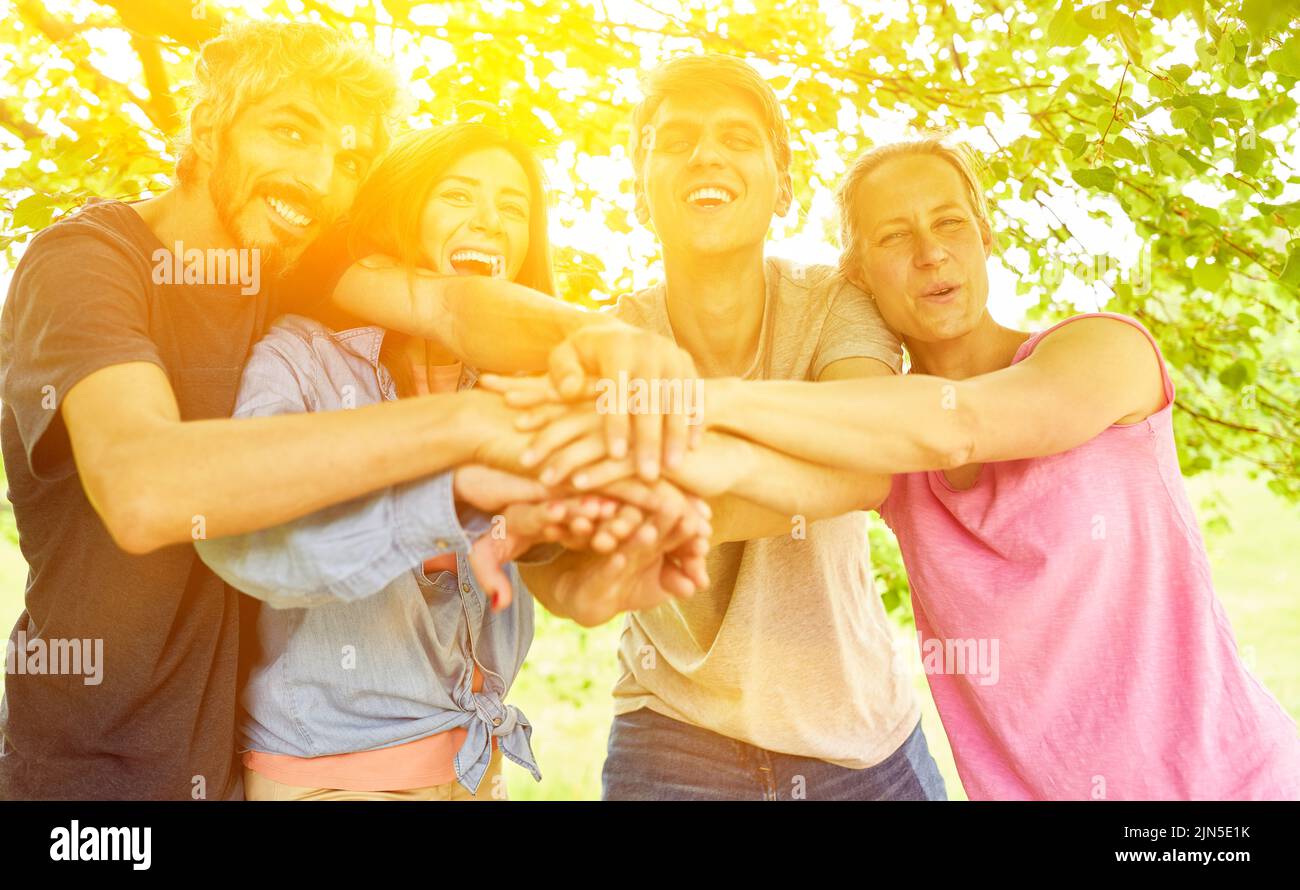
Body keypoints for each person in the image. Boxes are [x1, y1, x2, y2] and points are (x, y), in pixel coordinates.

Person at [0, 20, 699, 801]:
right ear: (206, 125)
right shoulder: (86, 263)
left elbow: (449, 305)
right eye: (291, 131)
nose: (317, 176)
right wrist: (467, 435)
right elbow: (143, 488)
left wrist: (601, 337)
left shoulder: (284, 269)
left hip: (236, 762)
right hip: (95, 774)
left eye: (349, 159)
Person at [598, 134, 1300, 799]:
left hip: (1224, 794)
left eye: (951, 223)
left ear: (986, 235)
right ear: (858, 274)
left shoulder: (1106, 354)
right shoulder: (886, 451)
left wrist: (696, 398)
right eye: (894, 237)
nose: (932, 253)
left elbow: (958, 425)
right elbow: (745, 501)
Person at [196, 122, 710, 801]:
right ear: (398, 216)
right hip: (329, 777)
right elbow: (260, 544)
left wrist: (598, 568)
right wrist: (455, 495)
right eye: (459, 195)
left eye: (513, 207)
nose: (489, 222)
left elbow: (552, 574)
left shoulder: (522, 385)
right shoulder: (300, 360)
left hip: (475, 771)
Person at [488, 55, 947, 801]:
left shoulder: (834, 301)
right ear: (641, 192)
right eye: (676, 141)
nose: (705, 155)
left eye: (736, 137)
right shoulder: (605, 341)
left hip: (859, 737)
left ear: (784, 184)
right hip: (673, 736)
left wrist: (661, 505)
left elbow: (869, 457)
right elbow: (560, 576)